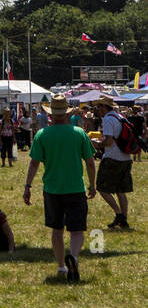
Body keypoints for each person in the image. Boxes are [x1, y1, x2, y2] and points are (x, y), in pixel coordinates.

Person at [25, 96, 96, 283]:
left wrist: (27, 186)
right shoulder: (79, 133)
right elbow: (90, 162)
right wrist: (93, 184)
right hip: (75, 188)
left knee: (56, 230)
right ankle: (73, 256)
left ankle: (61, 266)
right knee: (77, 230)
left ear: (51, 116)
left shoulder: (42, 135)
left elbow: (34, 164)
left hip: (52, 189)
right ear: (67, 114)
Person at [94, 96, 133, 230]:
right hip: (126, 158)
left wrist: (97, 144)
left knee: (101, 187)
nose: (98, 109)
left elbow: (109, 142)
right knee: (120, 190)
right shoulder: (120, 117)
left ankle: (119, 214)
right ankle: (124, 220)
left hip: (112, 158)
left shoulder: (107, 119)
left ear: (105, 107)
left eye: (99, 106)